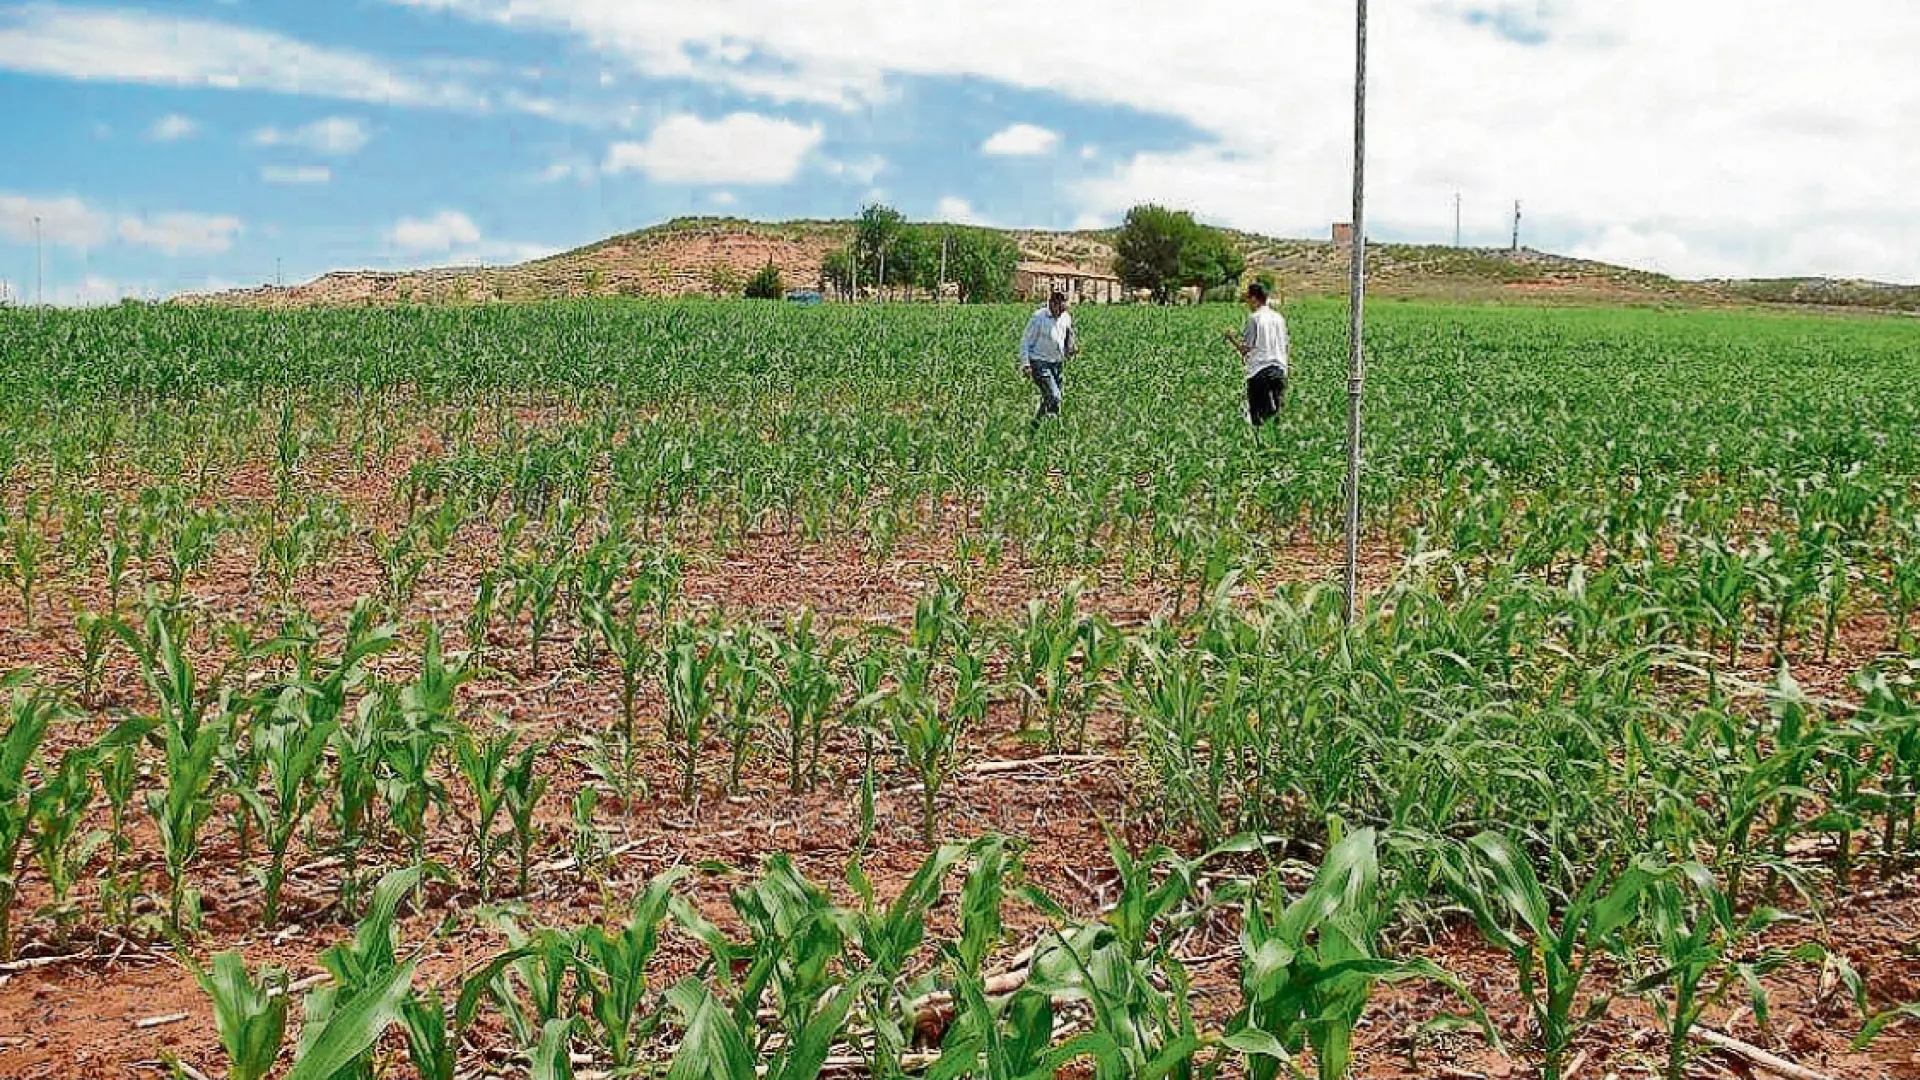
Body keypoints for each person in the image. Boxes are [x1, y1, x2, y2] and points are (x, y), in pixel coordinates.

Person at [1223, 280, 1288, 427]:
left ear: (1254, 298)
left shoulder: (1255, 318)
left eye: (1248, 299)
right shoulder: (1279, 318)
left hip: (1260, 372)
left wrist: (1231, 338)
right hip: (1279, 370)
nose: (1247, 303)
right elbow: (1285, 344)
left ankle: (1260, 447)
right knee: (1276, 416)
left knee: (1259, 418)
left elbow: (1246, 348)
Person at [1019, 290, 1076, 424]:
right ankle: (1036, 425)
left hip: (1057, 363)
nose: (1061, 312)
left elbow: (1069, 334)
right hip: (1040, 363)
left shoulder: (1066, 317)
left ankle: (1046, 431)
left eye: (1063, 309)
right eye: (1059, 309)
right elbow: (1026, 341)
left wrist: (1071, 347)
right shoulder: (1038, 318)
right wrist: (1026, 364)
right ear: (1051, 304)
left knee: (1054, 401)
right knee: (1054, 396)